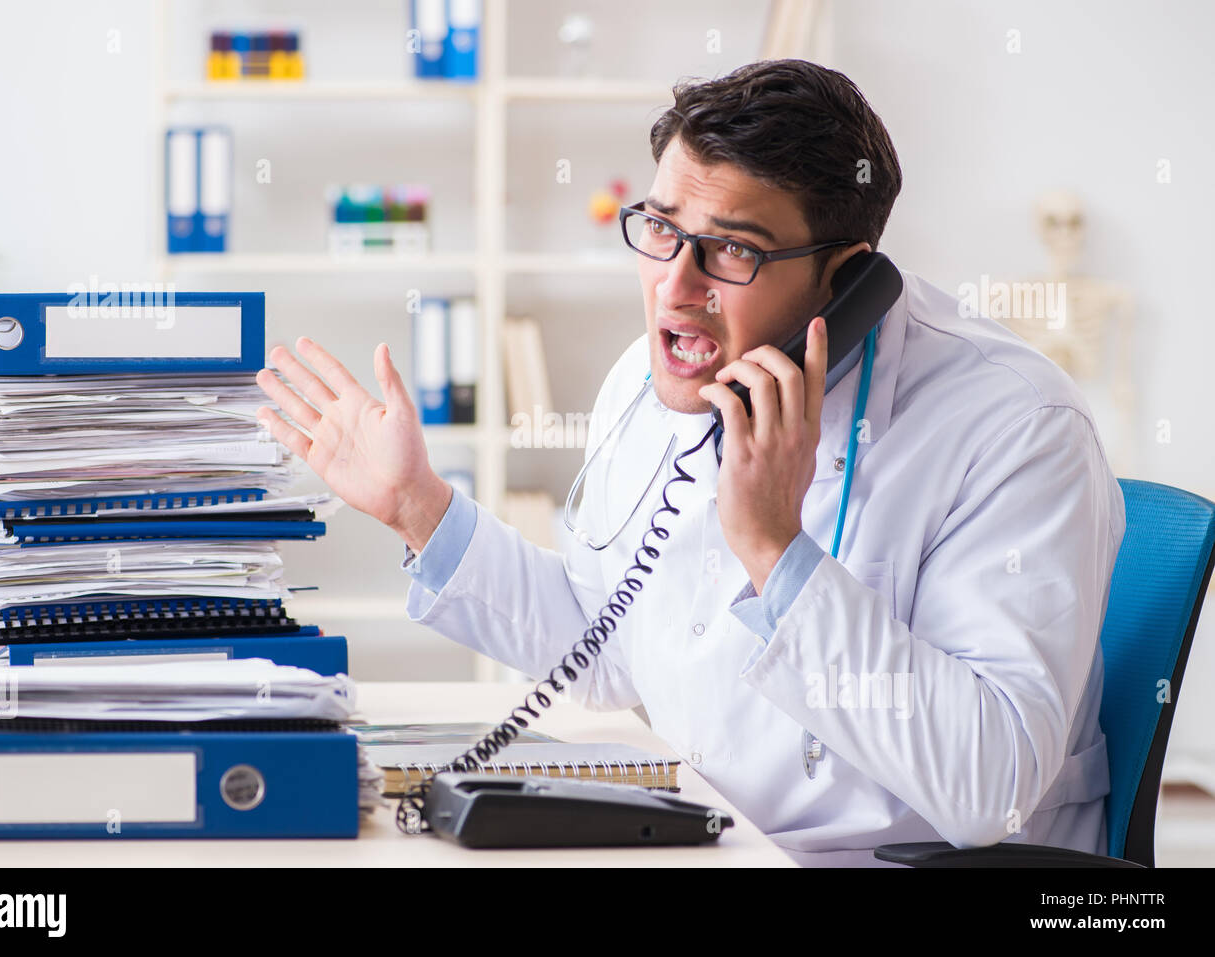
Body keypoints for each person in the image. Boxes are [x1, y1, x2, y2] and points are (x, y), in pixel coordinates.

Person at [256, 59, 1124, 866]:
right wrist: (419, 506)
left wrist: (776, 551)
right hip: (710, 837)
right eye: (663, 229)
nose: (675, 285)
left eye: (733, 249)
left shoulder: (1014, 426)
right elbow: (605, 650)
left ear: (845, 281)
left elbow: (989, 786)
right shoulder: (647, 385)